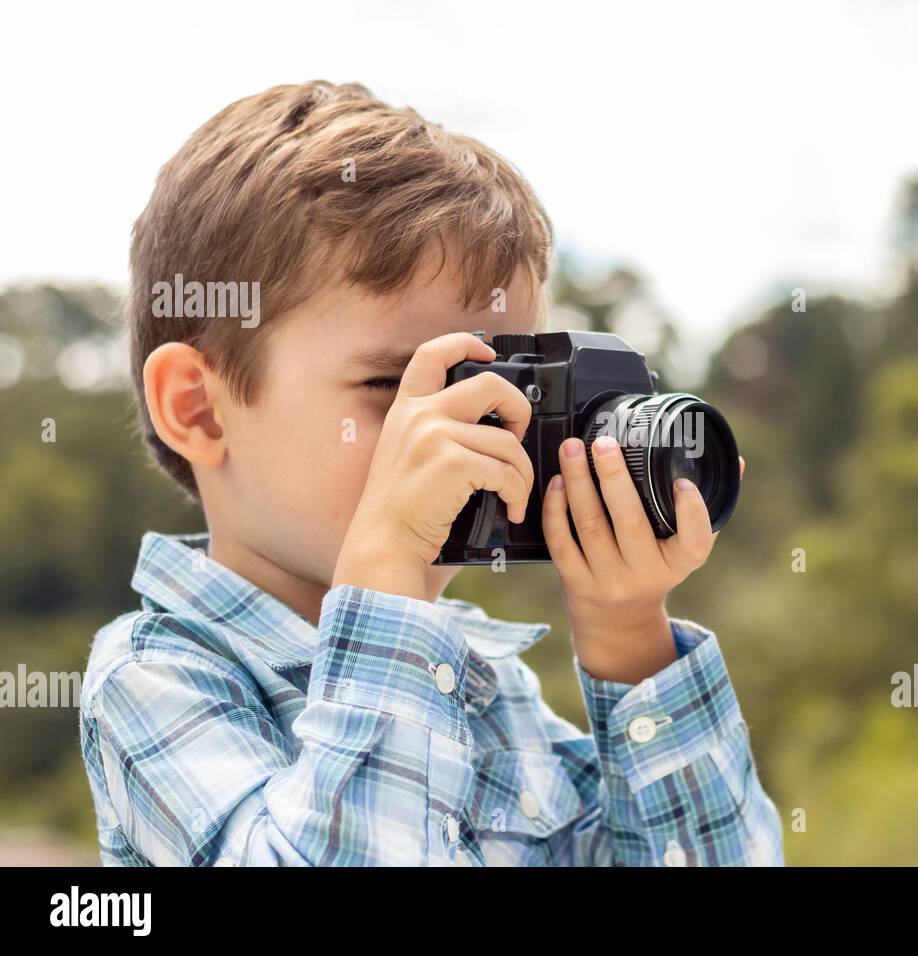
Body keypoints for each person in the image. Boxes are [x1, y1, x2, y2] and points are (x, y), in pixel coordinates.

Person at [78, 81, 783, 866]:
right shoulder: (159, 680)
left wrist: (627, 634)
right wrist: (385, 576)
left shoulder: (484, 686)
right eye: (394, 387)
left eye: (506, 388)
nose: (468, 433)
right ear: (201, 410)